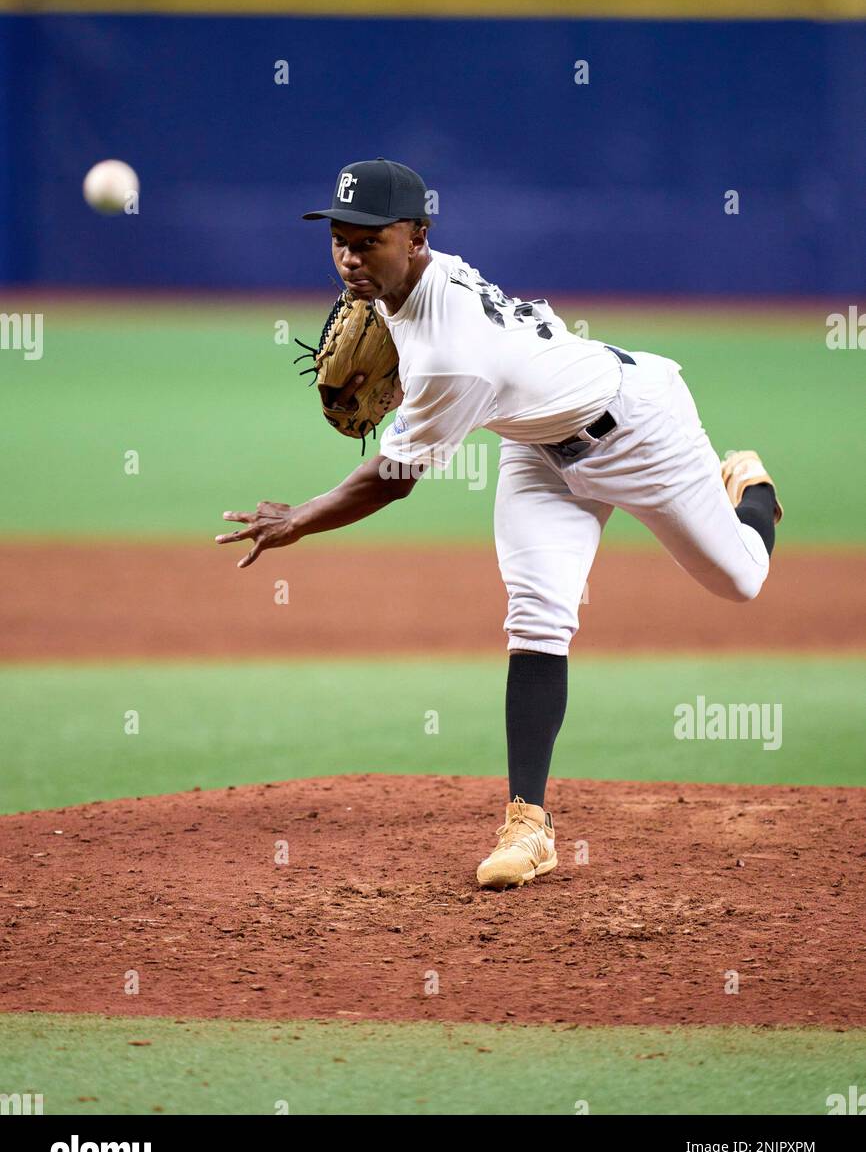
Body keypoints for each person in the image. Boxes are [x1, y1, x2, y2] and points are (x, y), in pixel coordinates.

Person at [216, 158, 782, 891]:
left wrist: (299, 520)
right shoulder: (402, 285)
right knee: (537, 615)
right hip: (540, 449)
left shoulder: (453, 357)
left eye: (369, 241)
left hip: (641, 430)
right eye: (340, 241)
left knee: (740, 579)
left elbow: (392, 482)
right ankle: (529, 825)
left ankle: (751, 484)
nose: (350, 258)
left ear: (417, 236)